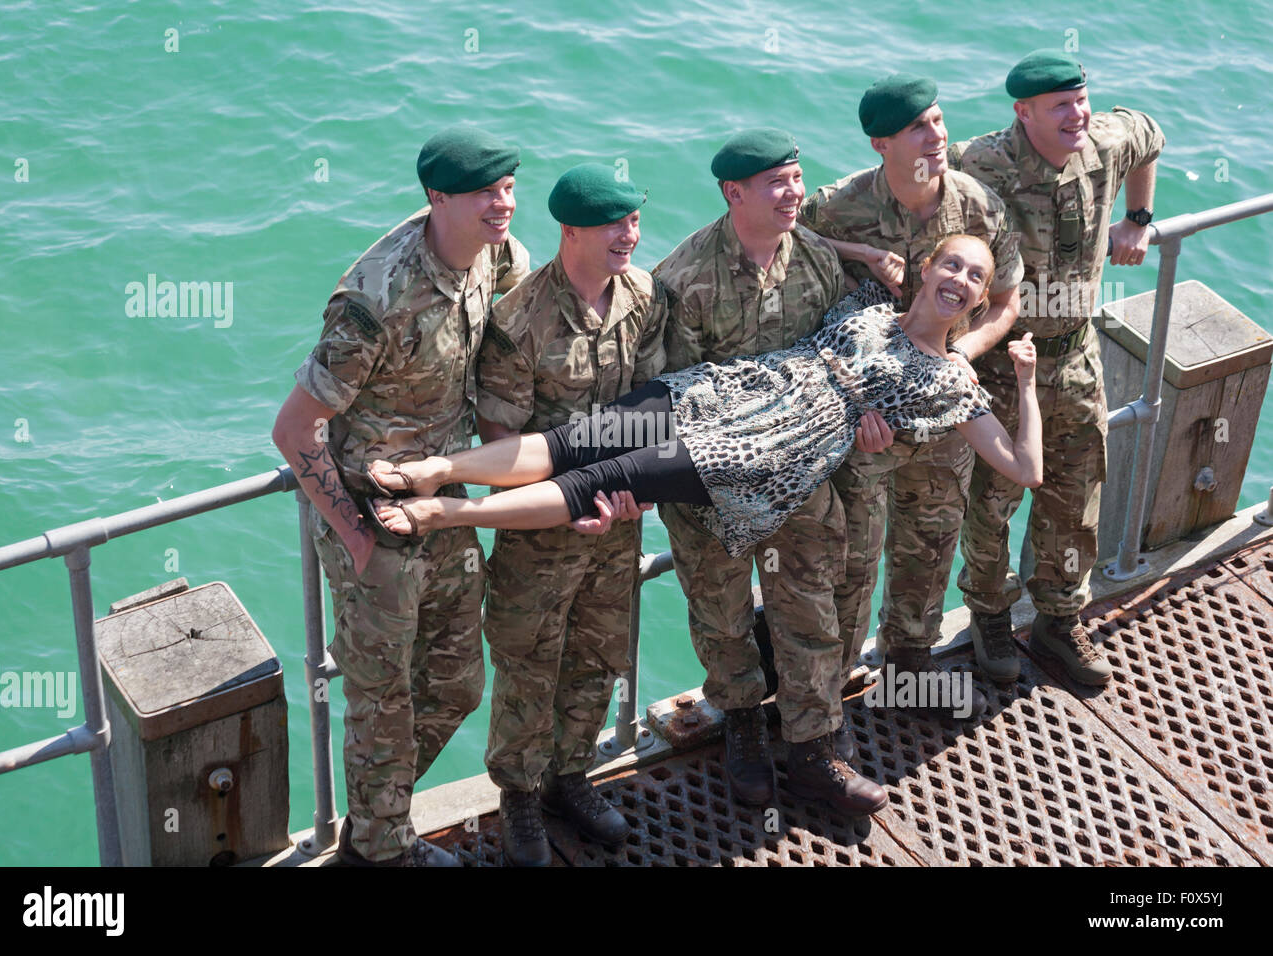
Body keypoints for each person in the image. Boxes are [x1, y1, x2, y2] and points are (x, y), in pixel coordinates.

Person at [367, 237, 1042, 815]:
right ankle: (436, 467)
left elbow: (1025, 467)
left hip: (764, 447)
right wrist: (874, 254)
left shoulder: (950, 381)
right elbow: (800, 232)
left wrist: (1027, 379)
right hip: (730, 386)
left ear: (981, 300)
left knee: (605, 481)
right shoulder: (868, 303)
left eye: (975, 277)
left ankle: (445, 509)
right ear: (925, 269)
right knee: (584, 436)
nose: (958, 280)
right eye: (950, 265)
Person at [271, 126, 529, 867]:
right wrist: (354, 540)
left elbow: (523, 314)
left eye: (509, 188)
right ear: (437, 198)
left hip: (439, 501)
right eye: (487, 192)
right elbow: (295, 431)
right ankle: (380, 850)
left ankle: (372, 822)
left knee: (457, 684)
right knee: (382, 704)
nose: (503, 205)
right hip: (369, 520)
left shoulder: (496, 253)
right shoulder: (373, 302)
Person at [647, 128, 880, 814]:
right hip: (710, 488)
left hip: (798, 478)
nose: (794, 192)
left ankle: (814, 748)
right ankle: (743, 722)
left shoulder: (811, 257)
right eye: (776, 182)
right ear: (733, 193)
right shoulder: (683, 280)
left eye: (797, 177)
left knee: (809, 605)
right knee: (720, 615)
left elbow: (841, 353)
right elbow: (669, 397)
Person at [797, 73, 1022, 719]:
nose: (938, 136)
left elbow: (1006, 300)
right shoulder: (840, 204)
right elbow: (787, 237)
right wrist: (859, 251)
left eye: (941, 121)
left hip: (942, 416)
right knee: (849, 564)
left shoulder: (977, 206)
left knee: (929, 544)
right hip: (864, 420)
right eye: (919, 127)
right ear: (881, 143)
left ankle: (907, 672)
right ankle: (826, 696)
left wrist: (962, 355)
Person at [950, 51, 1165, 686]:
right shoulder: (980, 160)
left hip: (1075, 356)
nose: (1077, 114)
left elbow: (1150, 135)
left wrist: (1138, 219)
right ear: (1024, 112)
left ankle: (1058, 617)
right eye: (1060, 106)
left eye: (1081, 99)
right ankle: (988, 615)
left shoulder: (1104, 140)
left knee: (1076, 498)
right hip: (1000, 358)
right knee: (991, 501)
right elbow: (909, 186)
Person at [473, 164, 667, 866]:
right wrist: (569, 503)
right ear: (570, 232)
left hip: (617, 520)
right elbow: (502, 445)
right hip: (541, 530)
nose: (630, 235)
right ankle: (520, 797)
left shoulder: (643, 294)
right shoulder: (518, 319)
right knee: (529, 663)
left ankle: (569, 777)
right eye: (615, 225)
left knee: (596, 655)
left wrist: (638, 492)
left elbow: (653, 405)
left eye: (635, 222)